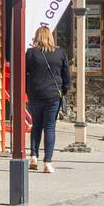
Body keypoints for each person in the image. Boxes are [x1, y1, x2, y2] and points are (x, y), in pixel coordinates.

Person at [25, 25, 70, 174]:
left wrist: (27, 90)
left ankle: (33, 156)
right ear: (51, 37)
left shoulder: (30, 53)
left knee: (36, 125)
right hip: (53, 95)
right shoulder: (60, 53)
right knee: (49, 127)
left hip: (35, 94)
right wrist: (64, 91)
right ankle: (47, 162)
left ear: (37, 37)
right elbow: (66, 76)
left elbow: (24, 73)